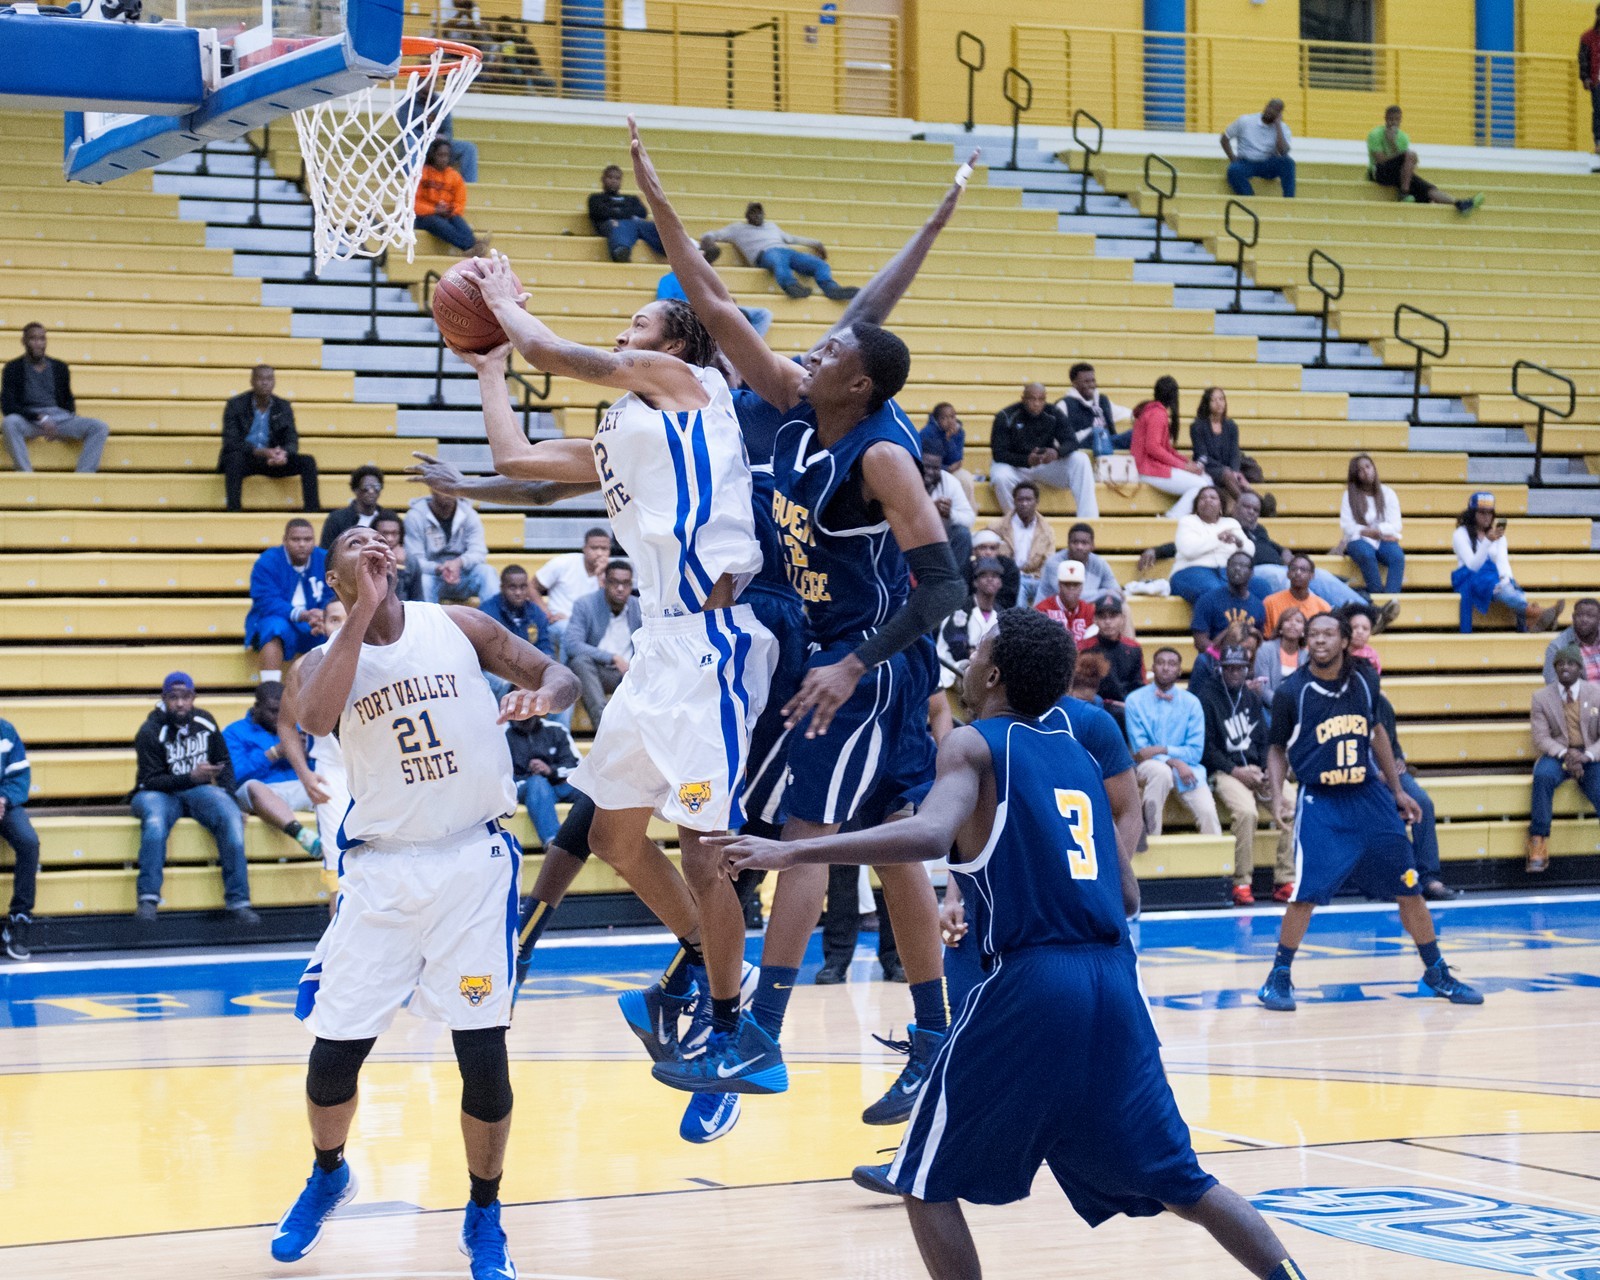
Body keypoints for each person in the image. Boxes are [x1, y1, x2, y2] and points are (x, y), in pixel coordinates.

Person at [715, 611, 1308, 1280]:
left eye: (976, 654)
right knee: (1184, 1184)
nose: (967, 663)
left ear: (993, 674)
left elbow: (930, 834)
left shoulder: (972, 743)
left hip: (1032, 983)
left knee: (922, 1179)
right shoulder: (1078, 753)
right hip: (1116, 982)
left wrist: (793, 851)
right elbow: (1127, 894)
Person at [628, 119, 969, 1126]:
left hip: (872, 660)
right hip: (841, 653)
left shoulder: (883, 457)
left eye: (826, 350)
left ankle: (759, 1034)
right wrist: (654, 190)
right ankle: (936, 1038)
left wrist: (853, 665)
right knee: (895, 851)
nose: (805, 351)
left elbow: (945, 588)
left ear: (856, 383)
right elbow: (715, 299)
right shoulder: (791, 399)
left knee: (806, 838)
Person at [462, 251, 786, 1122]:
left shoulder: (689, 386)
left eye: (638, 323)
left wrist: (501, 300)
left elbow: (557, 355)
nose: (622, 333)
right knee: (613, 835)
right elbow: (515, 455)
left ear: (675, 343)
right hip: (658, 649)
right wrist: (490, 366)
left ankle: (738, 1031)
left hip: (712, 647)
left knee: (706, 851)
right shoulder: (625, 435)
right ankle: (710, 962)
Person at [272, 525, 576, 1276]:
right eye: (352, 543)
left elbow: (556, 673)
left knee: (483, 1053)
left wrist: (545, 696)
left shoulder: (458, 624)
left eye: (378, 536)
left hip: (473, 864)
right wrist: (362, 608)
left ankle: (485, 1212)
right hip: (382, 872)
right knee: (334, 1056)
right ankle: (329, 1172)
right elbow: (315, 719)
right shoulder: (320, 661)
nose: (370, 541)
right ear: (335, 579)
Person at [1257, 612, 1482, 1012]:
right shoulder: (1293, 691)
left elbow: (1376, 732)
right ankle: (1278, 976)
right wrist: (1277, 796)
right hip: (1322, 801)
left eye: (1328, 634)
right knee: (1304, 894)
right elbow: (1276, 748)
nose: (1319, 640)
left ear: (1344, 641)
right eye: (1313, 635)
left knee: (1409, 886)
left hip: (1369, 796)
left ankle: (1435, 971)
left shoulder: (1365, 679)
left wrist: (1396, 790)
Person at [130, 673, 255, 925]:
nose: (180, 703)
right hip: (157, 792)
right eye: (173, 697)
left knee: (231, 817)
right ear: (164, 698)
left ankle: (239, 902)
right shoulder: (150, 730)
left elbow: (224, 762)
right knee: (155, 822)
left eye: (185, 697)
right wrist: (191, 777)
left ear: (193, 697)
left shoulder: (205, 721)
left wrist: (231, 798)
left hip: (196, 790)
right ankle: (148, 899)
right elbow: (150, 780)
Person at [1200, 647, 1294, 906]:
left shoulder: (1251, 698)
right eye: (1229, 667)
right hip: (1226, 771)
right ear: (1220, 669)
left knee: (1292, 804)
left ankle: (1285, 879)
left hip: (1256, 769)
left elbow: (1264, 740)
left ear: (1246, 670)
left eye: (1239, 668)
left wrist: (1267, 769)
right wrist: (1236, 771)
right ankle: (1241, 881)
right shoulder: (1207, 697)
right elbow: (1207, 749)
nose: (1234, 672)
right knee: (1246, 812)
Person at [277, 599, 352, 905]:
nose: (342, 625)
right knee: (340, 877)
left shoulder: (382, 659)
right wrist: (305, 775)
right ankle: (339, 936)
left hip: (378, 773)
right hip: (332, 775)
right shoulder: (304, 667)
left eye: (348, 617)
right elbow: (285, 725)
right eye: (334, 619)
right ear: (322, 626)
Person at [1126, 647, 1223, 839]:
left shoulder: (1192, 703)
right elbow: (1141, 751)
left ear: (1179, 671)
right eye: (1160, 663)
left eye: (1172, 664)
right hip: (1148, 767)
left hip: (1189, 770)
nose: (1165, 668)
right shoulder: (1134, 701)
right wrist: (1175, 761)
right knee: (1161, 772)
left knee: (1208, 812)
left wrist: (1162, 750)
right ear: (1153, 667)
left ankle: (1216, 858)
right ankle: (1152, 840)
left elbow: (1195, 752)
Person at [1231, 490, 1374, 615]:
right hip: (1255, 571)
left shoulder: (1258, 530)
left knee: (1318, 575)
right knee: (1285, 577)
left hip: (1280, 567)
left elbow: (1278, 548)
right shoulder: (1228, 527)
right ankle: (1327, 612)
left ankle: (1366, 610)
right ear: (1235, 507)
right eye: (1246, 507)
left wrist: (1286, 554)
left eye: (1255, 510)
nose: (1251, 512)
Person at [222, 683, 324, 859]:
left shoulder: (299, 728)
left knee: (334, 781)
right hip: (264, 792)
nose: (279, 717)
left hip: (300, 788)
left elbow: (318, 770)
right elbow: (234, 776)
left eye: (284, 711)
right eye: (273, 711)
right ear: (257, 708)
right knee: (253, 786)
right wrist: (274, 753)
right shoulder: (234, 732)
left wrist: (309, 755)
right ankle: (301, 835)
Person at [1372, 691, 1455, 901]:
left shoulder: (1382, 704)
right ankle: (1394, 880)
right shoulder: (1343, 703)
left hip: (1391, 771)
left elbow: (1393, 744)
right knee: (1387, 806)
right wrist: (1373, 772)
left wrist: (1398, 759)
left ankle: (1428, 877)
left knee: (1423, 803)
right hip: (1361, 775)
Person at [1526, 646, 1600, 874]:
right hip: (1558, 754)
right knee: (1543, 777)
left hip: (1589, 754)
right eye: (1560, 664)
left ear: (1580, 668)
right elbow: (1541, 737)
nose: (1565, 667)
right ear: (1555, 668)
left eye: (1571, 663)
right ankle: (1538, 841)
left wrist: (1586, 755)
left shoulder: (1596, 693)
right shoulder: (1541, 697)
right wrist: (1565, 754)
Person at [1, 322, 109, 473]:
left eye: (42, 339)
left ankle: (83, 476)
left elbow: (68, 400)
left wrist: (63, 425)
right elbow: (8, 405)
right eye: (33, 339)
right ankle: (26, 474)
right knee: (9, 423)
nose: (38, 343)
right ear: (24, 341)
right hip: (30, 419)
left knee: (99, 427)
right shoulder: (13, 368)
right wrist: (41, 418)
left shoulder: (60, 367)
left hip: (59, 419)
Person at [1451, 491, 1562, 633]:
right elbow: (1473, 566)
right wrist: (1487, 541)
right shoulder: (1461, 534)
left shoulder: (1498, 535)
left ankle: (1532, 618)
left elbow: (1502, 562)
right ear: (1472, 513)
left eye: (1490, 512)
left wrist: (1506, 580)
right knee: (1501, 588)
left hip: (1493, 578)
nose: (1486, 517)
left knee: (1510, 588)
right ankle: (1536, 613)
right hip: (1469, 579)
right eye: (1482, 512)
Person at [702, 202, 859, 301]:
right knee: (778, 261)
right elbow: (713, 234)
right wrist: (709, 244)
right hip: (765, 253)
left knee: (819, 264)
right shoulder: (737, 228)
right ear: (747, 215)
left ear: (764, 214)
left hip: (787, 251)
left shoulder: (771, 226)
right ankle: (791, 286)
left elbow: (790, 238)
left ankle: (831, 288)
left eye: (759, 212)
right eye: (753, 213)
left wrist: (816, 243)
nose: (757, 216)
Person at [989, 382, 1098, 519]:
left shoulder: (1053, 413)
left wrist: (1057, 453)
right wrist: (1026, 460)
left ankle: (1088, 519)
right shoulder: (1005, 416)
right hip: (1016, 467)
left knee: (1081, 459)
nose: (1036, 404)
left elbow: (1072, 442)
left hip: (1045, 464)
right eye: (1032, 399)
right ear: (1023, 399)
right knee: (1000, 476)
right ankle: (1016, 521)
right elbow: (999, 454)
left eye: (1041, 399)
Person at [219, 364, 320, 512]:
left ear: (274, 382)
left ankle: (312, 512)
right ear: (252, 381)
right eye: (260, 379)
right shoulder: (235, 405)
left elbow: (292, 440)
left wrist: (283, 453)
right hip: (247, 458)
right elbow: (231, 442)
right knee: (234, 459)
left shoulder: (283, 406)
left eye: (269, 379)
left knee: (308, 461)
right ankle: (234, 512)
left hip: (272, 460)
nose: (265, 382)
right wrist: (261, 452)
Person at [246, 518, 333, 681]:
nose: (302, 544)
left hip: (314, 621)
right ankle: (270, 687)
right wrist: (301, 614)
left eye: (307, 539)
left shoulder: (325, 559)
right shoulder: (267, 561)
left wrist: (324, 614)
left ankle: (334, 687)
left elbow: (333, 594)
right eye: (296, 539)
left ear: (314, 540)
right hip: (280, 619)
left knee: (335, 626)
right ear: (285, 540)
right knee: (274, 628)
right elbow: (265, 600)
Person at [562, 558, 642, 728]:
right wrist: (612, 658)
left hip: (631, 672)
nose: (620, 588)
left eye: (625, 583)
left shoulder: (639, 607)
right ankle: (604, 725)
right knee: (579, 661)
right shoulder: (585, 604)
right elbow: (572, 644)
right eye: (615, 582)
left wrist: (634, 666)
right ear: (604, 582)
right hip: (598, 672)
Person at [1367, 106, 1484, 212]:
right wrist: (1392, 143)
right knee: (1410, 155)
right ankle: (1403, 193)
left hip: (1399, 174)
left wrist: (1394, 145)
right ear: (1385, 119)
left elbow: (1406, 162)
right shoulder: (1375, 134)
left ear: (1400, 120)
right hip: (1379, 172)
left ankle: (1459, 203)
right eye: (1390, 119)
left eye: (1396, 120)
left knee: (1427, 189)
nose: (1393, 123)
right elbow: (1380, 160)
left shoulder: (1403, 137)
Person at [1132, 376, 1208, 517]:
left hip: (1148, 467)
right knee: (1201, 485)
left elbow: (1166, 449)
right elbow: (1153, 448)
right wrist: (1183, 466)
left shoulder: (1153, 411)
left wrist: (1186, 462)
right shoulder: (1158, 414)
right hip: (1148, 469)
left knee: (1205, 481)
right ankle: (1171, 518)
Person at [478, 563, 555, 699]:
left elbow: (545, 647)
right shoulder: (488, 613)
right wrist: (519, 678)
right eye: (512, 587)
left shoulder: (536, 613)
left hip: (529, 672)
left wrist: (543, 671)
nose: (518, 593)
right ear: (502, 588)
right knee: (502, 683)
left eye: (523, 587)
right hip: (497, 673)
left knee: (560, 687)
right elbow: (488, 658)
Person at [404, 491, 496, 605]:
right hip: (433, 576)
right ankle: (427, 617)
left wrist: (459, 563)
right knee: (423, 580)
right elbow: (414, 560)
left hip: (463, 575)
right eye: (443, 487)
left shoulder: (469, 514)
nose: (447, 491)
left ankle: (493, 616)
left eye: (451, 486)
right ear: (432, 488)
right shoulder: (415, 516)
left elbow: (479, 552)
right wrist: (439, 568)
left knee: (487, 572)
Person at [531, 526, 610, 657]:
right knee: (569, 631)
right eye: (594, 548)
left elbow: (607, 613)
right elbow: (531, 587)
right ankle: (566, 670)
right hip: (559, 624)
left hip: (590, 627)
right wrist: (546, 613)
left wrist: (601, 578)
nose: (599, 553)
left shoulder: (612, 575)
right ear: (584, 548)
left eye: (604, 549)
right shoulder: (564, 563)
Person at [506, 711, 581, 848]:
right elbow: (501, 777)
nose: (524, 712)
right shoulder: (503, 735)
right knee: (537, 783)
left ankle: (596, 839)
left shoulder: (556, 729)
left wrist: (550, 770)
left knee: (589, 788)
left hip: (556, 784)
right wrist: (530, 777)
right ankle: (554, 843)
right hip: (524, 787)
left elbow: (576, 766)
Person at [0, 717, 40, 961]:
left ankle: (20, 917)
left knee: (29, 842)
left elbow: (19, 777)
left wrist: (3, 799)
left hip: (4, 804)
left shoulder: (5, 731)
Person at [1170, 486, 1252, 604]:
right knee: (1217, 592)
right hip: (1191, 571)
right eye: (1203, 498)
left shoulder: (1231, 523)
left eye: (1213, 498)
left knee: (1261, 586)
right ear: (1197, 505)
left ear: (1221, 505)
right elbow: (1188, 550)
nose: (1208, 500)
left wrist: (1240, 543)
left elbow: (1250, 552)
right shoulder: (1188, 521)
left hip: (1228, 572)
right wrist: (1218, 538)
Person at [657, 254, 771, 336]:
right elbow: (664, 305)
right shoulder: (668, 279)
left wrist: (727, 300)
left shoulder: (703, 275)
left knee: (763, 314)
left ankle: (752, 349)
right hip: (690, 312)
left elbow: (719, 293)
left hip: (714, 306)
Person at [1339, 453, 1405, 594]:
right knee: (1366, 554)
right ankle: (1377, 595)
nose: (1366, 472)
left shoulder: (1388, 493)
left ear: (1374, 468)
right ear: (1355, 475)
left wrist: (1378, 530)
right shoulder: (1349, 495)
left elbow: (1396, 524)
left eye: (1368, 467)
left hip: (1382, 538)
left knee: (1397, 556)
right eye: (1360, 470)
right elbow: (1347, 525)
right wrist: (1365, 531)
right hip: (1358, 539)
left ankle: (1391, 598)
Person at [414, 138, 488, 257]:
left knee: (458, 221)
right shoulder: (420, 174)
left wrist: (449, 210)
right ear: (432, 155)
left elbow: (460, 203)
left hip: (446, 213)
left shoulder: (455, 176)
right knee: (436, 222)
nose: (444, 159)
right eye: (440, 155)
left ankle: (473, 247)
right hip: (422, 216)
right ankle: (473, 245)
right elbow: (413, 204)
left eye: (446, 155)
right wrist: (435, 210)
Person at [987, 479, 1054, 605]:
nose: (1024, 503)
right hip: (1009, 578)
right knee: (1019, 588)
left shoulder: (1046, 531)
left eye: (1028, 500)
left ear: (1036, 502)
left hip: (1037, 578)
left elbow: (1049, 561)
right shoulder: (997, 527)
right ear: (1014, 501)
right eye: (1020, 500)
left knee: (1048, 596)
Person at [1190, 388, 1261, 506]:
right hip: (1208, 467)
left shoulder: (1231, 426)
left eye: (1221, 399)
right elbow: (1201, 455)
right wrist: (1227, 470)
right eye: (1214, 400)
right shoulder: (1197, 426)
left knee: (1237, 478)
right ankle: (1250, 505)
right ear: (1207, 403)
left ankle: (1257, 504)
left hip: (1227, 470)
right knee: (1227, 474)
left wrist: (1235, 471)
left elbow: (1234, 452)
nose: (1219, 403)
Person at [1079, 596, 1144, 723]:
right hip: (1094, 706)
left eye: (1113, 616)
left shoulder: (1134, 648)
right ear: (1095, 620)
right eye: (1103, 617)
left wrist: (1130, 705)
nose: (1108, 622)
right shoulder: (1085, 648)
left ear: (1122, 619)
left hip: (1126, 707)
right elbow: (1080, 688)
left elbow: (1140, 685)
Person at [395, 81, 478, 182]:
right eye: (425, 80)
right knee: (410, 142)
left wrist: (443, 139)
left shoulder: (441, 102)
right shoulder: (407, 101)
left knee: (468, 148)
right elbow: (405, 130)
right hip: (418, 144)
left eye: (431, 81)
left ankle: (470, 185)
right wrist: (428, 137)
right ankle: (411, 184)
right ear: (418, 82)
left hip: (438, 144)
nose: (429, 84)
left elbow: (448, 130)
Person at [1191, 552, 1266, 655]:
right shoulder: (1207, 600)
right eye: (1233, 565)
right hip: (1215, 658)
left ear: (1251, 572)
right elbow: (1200, 642)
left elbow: (1258, 642)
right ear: (1226, 570)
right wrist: (1224, 657)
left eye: (1243, 565)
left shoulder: (1258, 606)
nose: (1237, 568)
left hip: (1246, 659)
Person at [588, 163, 663, 263]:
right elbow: (599, 213)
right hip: (613, 226)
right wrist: (629, 214)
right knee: (618, 225)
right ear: (603, 179)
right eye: (610, 177)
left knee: (656, 225)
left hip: (634, 225)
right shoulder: (595, 198)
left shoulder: (631, 198)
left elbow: (642, 212)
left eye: (617, 178)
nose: (614, 181)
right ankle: (620, 251)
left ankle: (671, 248)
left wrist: (615, 212)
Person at [1221, 98, 1295, 198]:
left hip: (1268, 163)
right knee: (1233, 171)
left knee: (1288, 163)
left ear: (1280, 113)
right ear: (1266, 106)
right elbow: (1224, 138)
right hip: (1246, 162)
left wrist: (1278, 125)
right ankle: (1250, 199)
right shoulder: (1246, 120)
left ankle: (1289, 200)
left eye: (1276, 110)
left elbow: (1283, 152)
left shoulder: (1283, 128)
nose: (1271, 110)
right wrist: (1232, 158)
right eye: (1270, 106)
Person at [1055, 361, 1130, 457]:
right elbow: (1060, 438)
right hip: (1082, 447)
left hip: (1107, 443)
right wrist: (1090, 431)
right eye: (1086, 381)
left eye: (1093, 380)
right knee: (1097, 433)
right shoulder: (1064, 404)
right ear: (1074, 384)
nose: (1091, 385)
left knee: (1134, 434)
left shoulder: (1102, 401)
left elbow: (1125, 413)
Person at [1039, 521, 1122, 605]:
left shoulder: (1100, 564)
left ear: (1092, 546)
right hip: (1049, 610)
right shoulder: (1055, 562)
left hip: (1081, 609)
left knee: (1122, 606)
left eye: (1084, 543)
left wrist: (1109, 593)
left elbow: (1117, 593)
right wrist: (1105, 593)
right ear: (1068, 543)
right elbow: (1070, 596)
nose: (1079, 547)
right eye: (1075, 542)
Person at [922, 446, 975, 567]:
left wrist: (950, 513)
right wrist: (931, 510)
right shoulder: (907, 478)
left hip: (940, 537)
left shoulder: (949, 481)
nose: (930, 472)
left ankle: (955, 577)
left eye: (935, 468)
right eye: (926, 466)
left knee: (962, 534)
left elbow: (969, 519)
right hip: (910, 536)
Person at [319, 466, 394, 548]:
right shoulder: (337, 519)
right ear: (355, 489)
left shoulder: (388, 518)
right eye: (366, 487)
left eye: (376, 487)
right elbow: (327, 551)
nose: (371, 491)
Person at [920, 401, 976, 506]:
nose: (950, 421)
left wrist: (949, 440)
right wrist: (946, 468)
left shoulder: (959, 432)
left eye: (952, 417)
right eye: (944, 418)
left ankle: (966, 513)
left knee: (966, 479)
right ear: (937, 419)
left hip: (951, 469)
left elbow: (957, 459)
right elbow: (926, 461)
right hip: (931, 471)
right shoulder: (927, 433)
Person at [1262, 554, 1331, 638]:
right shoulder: (1270, 602)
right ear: (1288, 574)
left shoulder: (1323, 607)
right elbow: (1266, 638)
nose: (1298, 573)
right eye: (1294, 569)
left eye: (1303, 570)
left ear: (1312, 576)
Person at [1253, 605, 1308, 704]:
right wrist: (1283, 708)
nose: (1293, 624)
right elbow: (1263, 688)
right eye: (1287, 620)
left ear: (1303, 631)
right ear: (1280, 628)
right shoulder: (1264, 649)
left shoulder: (1307, 656)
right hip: (1268, 707)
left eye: (1298, 621)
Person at [1035, 559, 1095, 643]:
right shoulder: (1043, 609)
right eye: (1066, 584)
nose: (1071, 589)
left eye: (1076, 585)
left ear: (1082, 587)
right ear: (1059, 585)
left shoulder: (1089, 611)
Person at [1545, 597, 1600, 684]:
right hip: (1579, 693)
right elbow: (1553, 684)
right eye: (1579, 615)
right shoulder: (1557, 646)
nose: (1584, 620)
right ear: (1573, 617)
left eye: (1590, 616)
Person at [373, 512, 423, 602]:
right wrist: (398, 568)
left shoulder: (411, 560)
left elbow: (418, 599)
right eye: (384, 533)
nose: (390, 539)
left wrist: (399, 566)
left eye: (395, 533)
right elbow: (385, 599)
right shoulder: (365, 558)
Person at [1583, 5, 1600, 169]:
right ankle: (1598, 143)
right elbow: (1583, 59)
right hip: (1597, 82)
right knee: (1598, 113)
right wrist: (1586, 77)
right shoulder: (1588, 37)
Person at [1344, 602, 1382, 673]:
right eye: (1354, 627)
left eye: (1365, 628)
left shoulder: (1371, 656)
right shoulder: (1338, 652)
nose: (1360, 632)